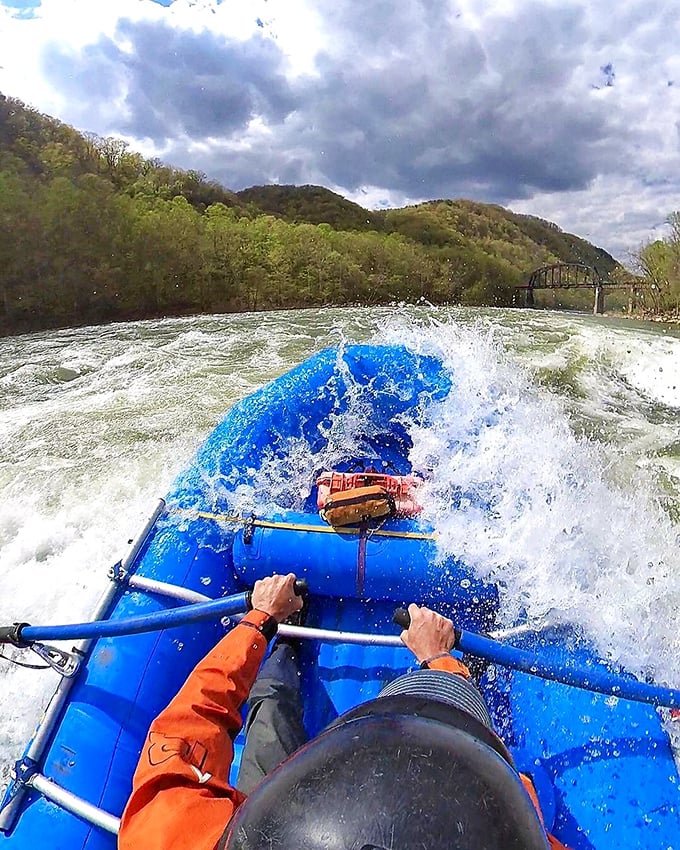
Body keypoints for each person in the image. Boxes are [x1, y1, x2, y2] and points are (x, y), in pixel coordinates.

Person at [119, 573, 569, 850]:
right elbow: (506, 797)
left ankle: (287, 644)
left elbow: (189, 724)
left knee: (271, 712)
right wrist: (443, 665)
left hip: (277, 813)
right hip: (291, 813)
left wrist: (260, 619)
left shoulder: (172, 837)